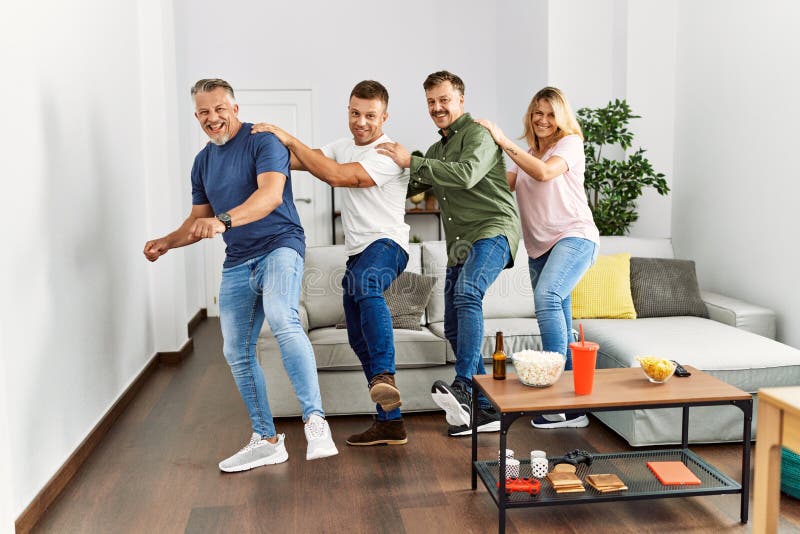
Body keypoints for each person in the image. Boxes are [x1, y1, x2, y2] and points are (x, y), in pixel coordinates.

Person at [143, 78, 338, 471]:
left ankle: (315, 421)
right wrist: (167, 241)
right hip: (238, 261)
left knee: (284, 317)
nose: (212, 118)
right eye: (203, 112)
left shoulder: (262, 141)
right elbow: (198, 222)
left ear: (234, 108)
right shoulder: (202, 163)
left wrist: (224, 220)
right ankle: (266, 439)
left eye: (219, 109)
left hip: (281, 245)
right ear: (196, 116)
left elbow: (268, 197)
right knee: (235, 350)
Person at [250, 80, 411, 446]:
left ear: (384, 116)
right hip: (359, 251)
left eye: (371, 115)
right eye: (355, 113)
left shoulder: (387, 153)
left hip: (387, 245)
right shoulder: (341, 146)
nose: (362, 122)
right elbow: (299, 160)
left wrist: (289, 137)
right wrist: (255, 145)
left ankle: (385, 375)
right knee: (356, 332)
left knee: (365, 284)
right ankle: (391, 421)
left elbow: (339, 176)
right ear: (348, 111)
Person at [377, 71, 520, 437]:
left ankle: (465, 389)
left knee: (468, 292)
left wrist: (412, 161)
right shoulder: (437, 150)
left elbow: (468, 174)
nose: (437, 108)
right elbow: (410, 182)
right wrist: (369, 165)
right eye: (431, 102)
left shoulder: (479, 135)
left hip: (493, 230)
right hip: (462, 243)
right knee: (453, 324)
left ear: (460, 100)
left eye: (444, 100)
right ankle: (487, 410)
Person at [476, 86, 599, 429]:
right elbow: (506, 183)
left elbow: (544, 173)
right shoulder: (530, 151)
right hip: (540, 247)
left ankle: (555, 396)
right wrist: (479, 156)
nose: (543, 120)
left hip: (575, 237)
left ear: (561, 119)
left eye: (550, 114)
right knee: (559, 311)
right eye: (537, 113)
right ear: (530, 116)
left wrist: (502, 140)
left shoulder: (570, 144)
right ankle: (574, 410)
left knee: (546, 298)